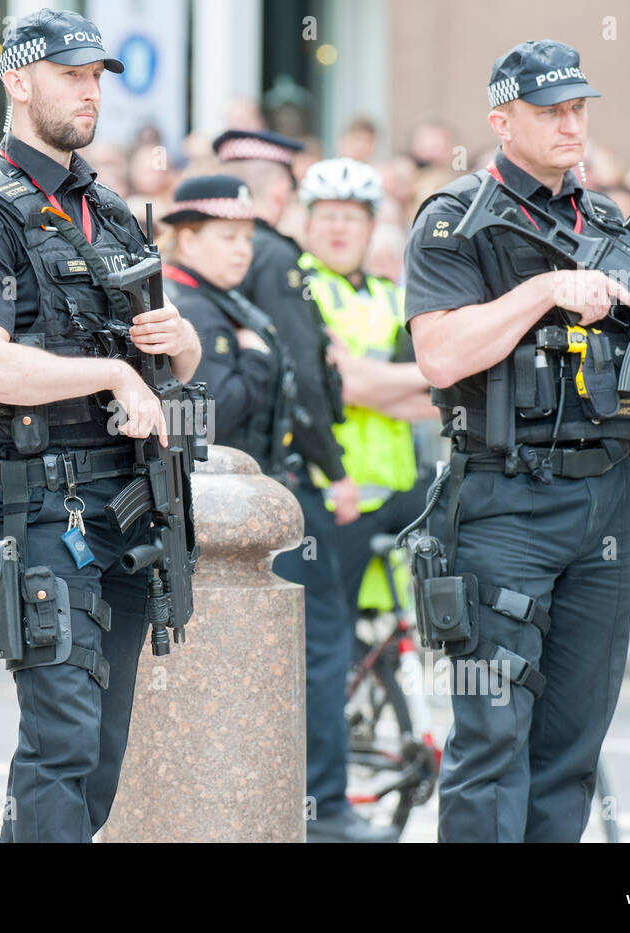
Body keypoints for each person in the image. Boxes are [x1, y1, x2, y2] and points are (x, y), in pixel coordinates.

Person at [403, 39, 630, 842]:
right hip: (503, 503)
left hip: (605, 501)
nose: (571, 124)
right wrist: (545, 289)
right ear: (501, 122)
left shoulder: (606, 221)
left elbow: (627, 339)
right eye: (551, 112)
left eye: (579, 109)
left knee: (571, 748)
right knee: (490, 744)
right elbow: (439, 353)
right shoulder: (455, 216)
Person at [0, 8, 201, 843]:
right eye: (71, 76)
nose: (88, 93)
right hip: (44, 508)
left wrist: (176, 345)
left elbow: (167, 361)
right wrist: (112, 370)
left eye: (95, 78)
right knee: (62, 740)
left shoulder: (108, 211)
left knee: (104, 746)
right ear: (17, 79)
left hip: (125, 503)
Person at [215, 129, 389, 842]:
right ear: (281, 194)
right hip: (285, 485)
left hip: (232, 484)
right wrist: (335, 468)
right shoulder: (278, 257)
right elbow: (306, 379)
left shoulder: (221, 261)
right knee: (321, 647)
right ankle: (325, 806)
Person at [297, 158, 438, 613]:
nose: (339, 228)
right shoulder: (300, 288)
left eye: (352, 216)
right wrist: (434, 371)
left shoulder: (392, 295)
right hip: (335, 494)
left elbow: (441, 401)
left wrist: (434, 379)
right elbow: (342, 389)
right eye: (328, 215)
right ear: (309, 222)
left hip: (398, 492)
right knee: (329, 632)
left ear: (371, 224)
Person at [159, 174, 294, 478]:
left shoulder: (200, 292)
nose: (243, 250)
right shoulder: (194, 308)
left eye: (247, 238)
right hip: (222, 487)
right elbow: (213, 416)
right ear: (188, 241)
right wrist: (256, 358)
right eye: (228, 237)